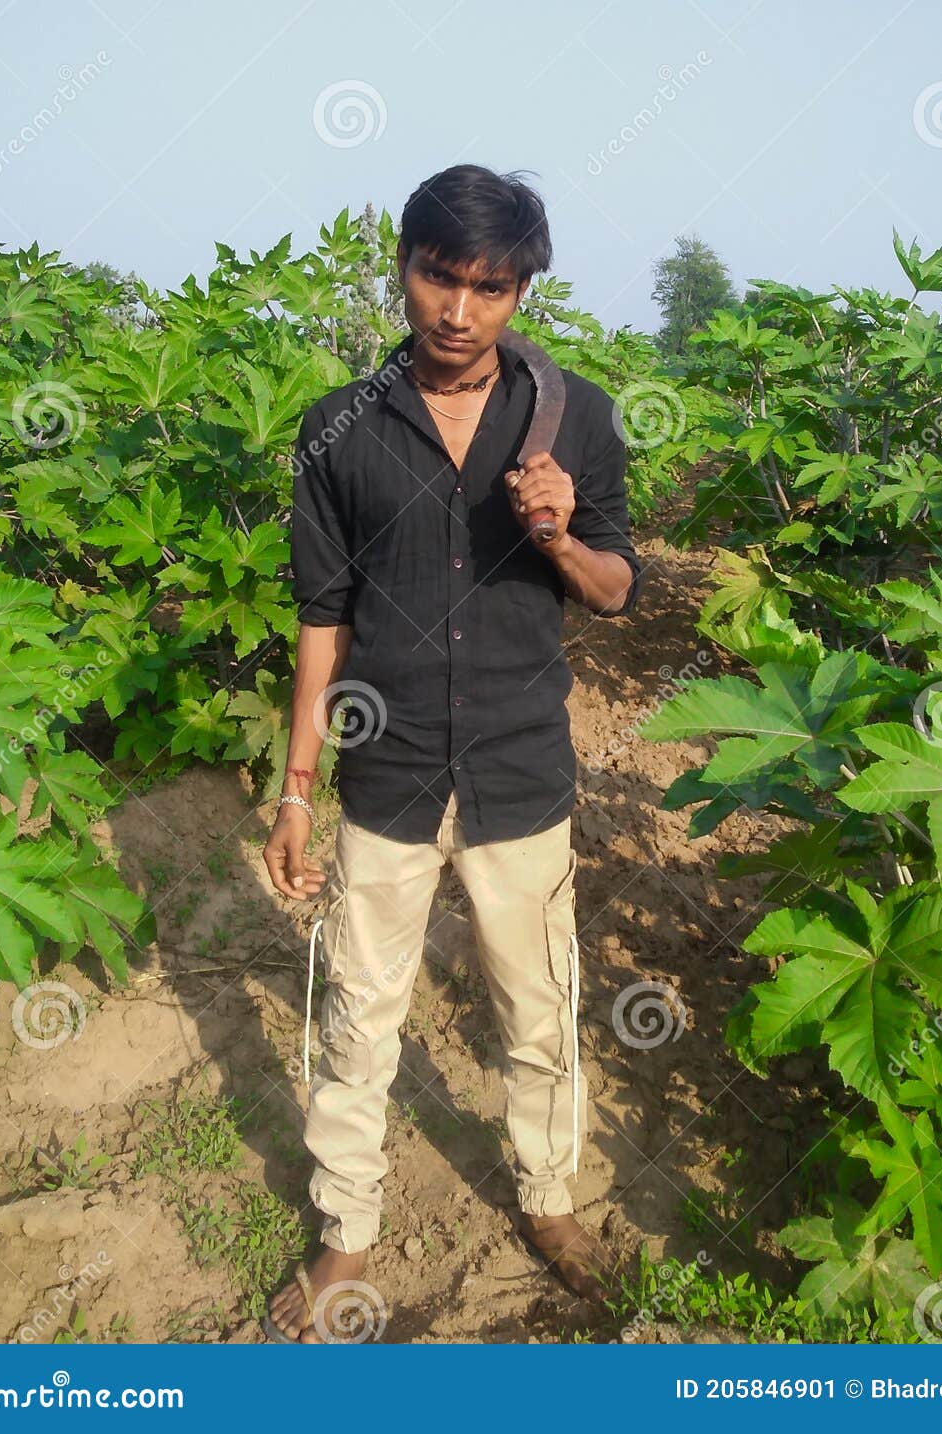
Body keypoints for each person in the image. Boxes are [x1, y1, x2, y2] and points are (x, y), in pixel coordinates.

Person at [262, 163, 643, 1343]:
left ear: (523, 288)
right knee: (359, 1008)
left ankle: (548, 1198)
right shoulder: (340, 427)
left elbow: (618, 589)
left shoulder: (575, 415)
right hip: (390, 765)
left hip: (521, 766)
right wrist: (294, 786)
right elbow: (321, 616)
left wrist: (560, 534)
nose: (459, 309)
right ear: (404, 264)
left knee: (537, 1004)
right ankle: (346, 1224)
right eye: (439, 273)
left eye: (490, 285)